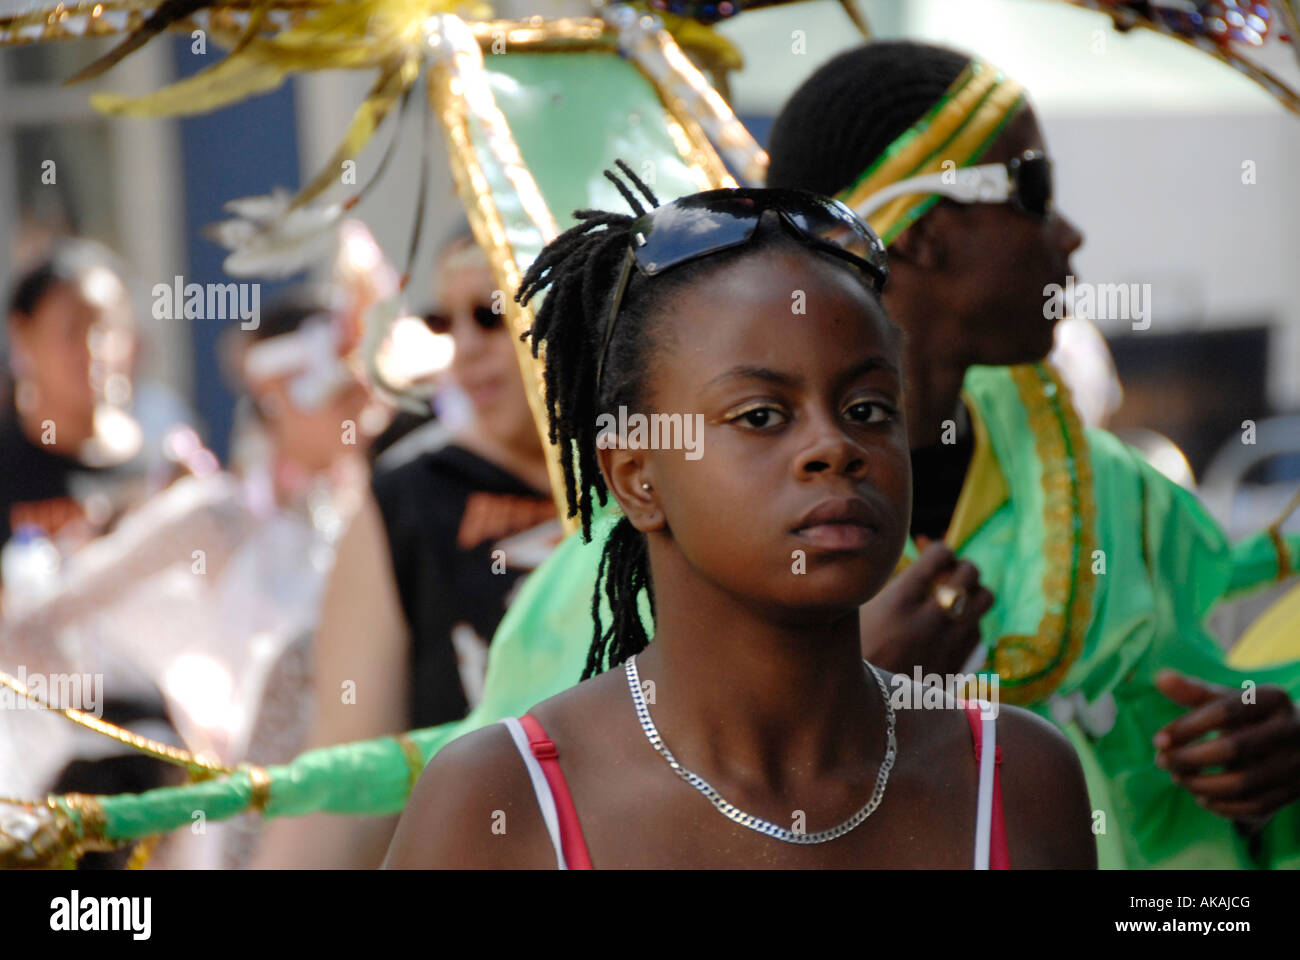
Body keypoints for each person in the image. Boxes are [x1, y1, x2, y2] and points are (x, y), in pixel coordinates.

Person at [384, 173, 1096, 869]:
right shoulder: (503, 801)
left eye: (869, 410)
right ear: (637, 477)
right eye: (761, 416)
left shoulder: (1014, 777)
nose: (833, 448)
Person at [763, 40, 1300, 869]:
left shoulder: (1120, 495)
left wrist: (1269, 745)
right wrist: (836, 696)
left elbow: (1224, 693)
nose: (1070, 233)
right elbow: (574, 799)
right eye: (1034, 189)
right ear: (926, 234)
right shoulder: (695, 522)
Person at [255, 232, 561, 868]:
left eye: (490, 315)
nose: (466, 347)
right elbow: (343, 780)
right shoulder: (408, 500)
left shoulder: (649, 482)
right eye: (443, 320)